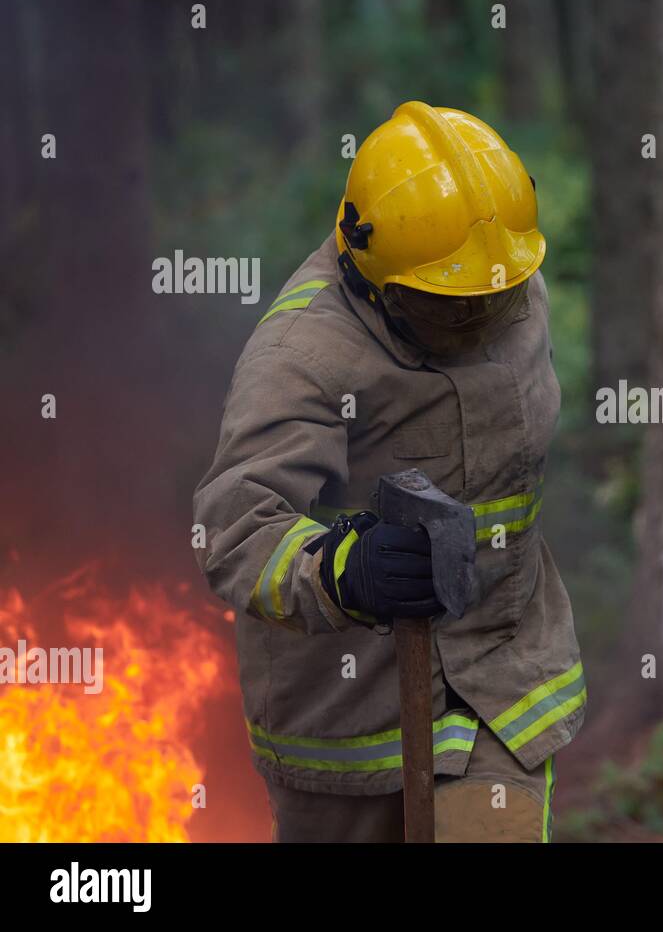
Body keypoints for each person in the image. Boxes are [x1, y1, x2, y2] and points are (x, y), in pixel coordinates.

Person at [193, 102, 584, 842]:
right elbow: (230, 530)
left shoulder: (507, 285)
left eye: (492, 298)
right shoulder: (302, 356)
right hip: (349, 726)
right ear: (372, 273)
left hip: (500, 684)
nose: (479, 320)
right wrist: (345, 569)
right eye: (448, 308)